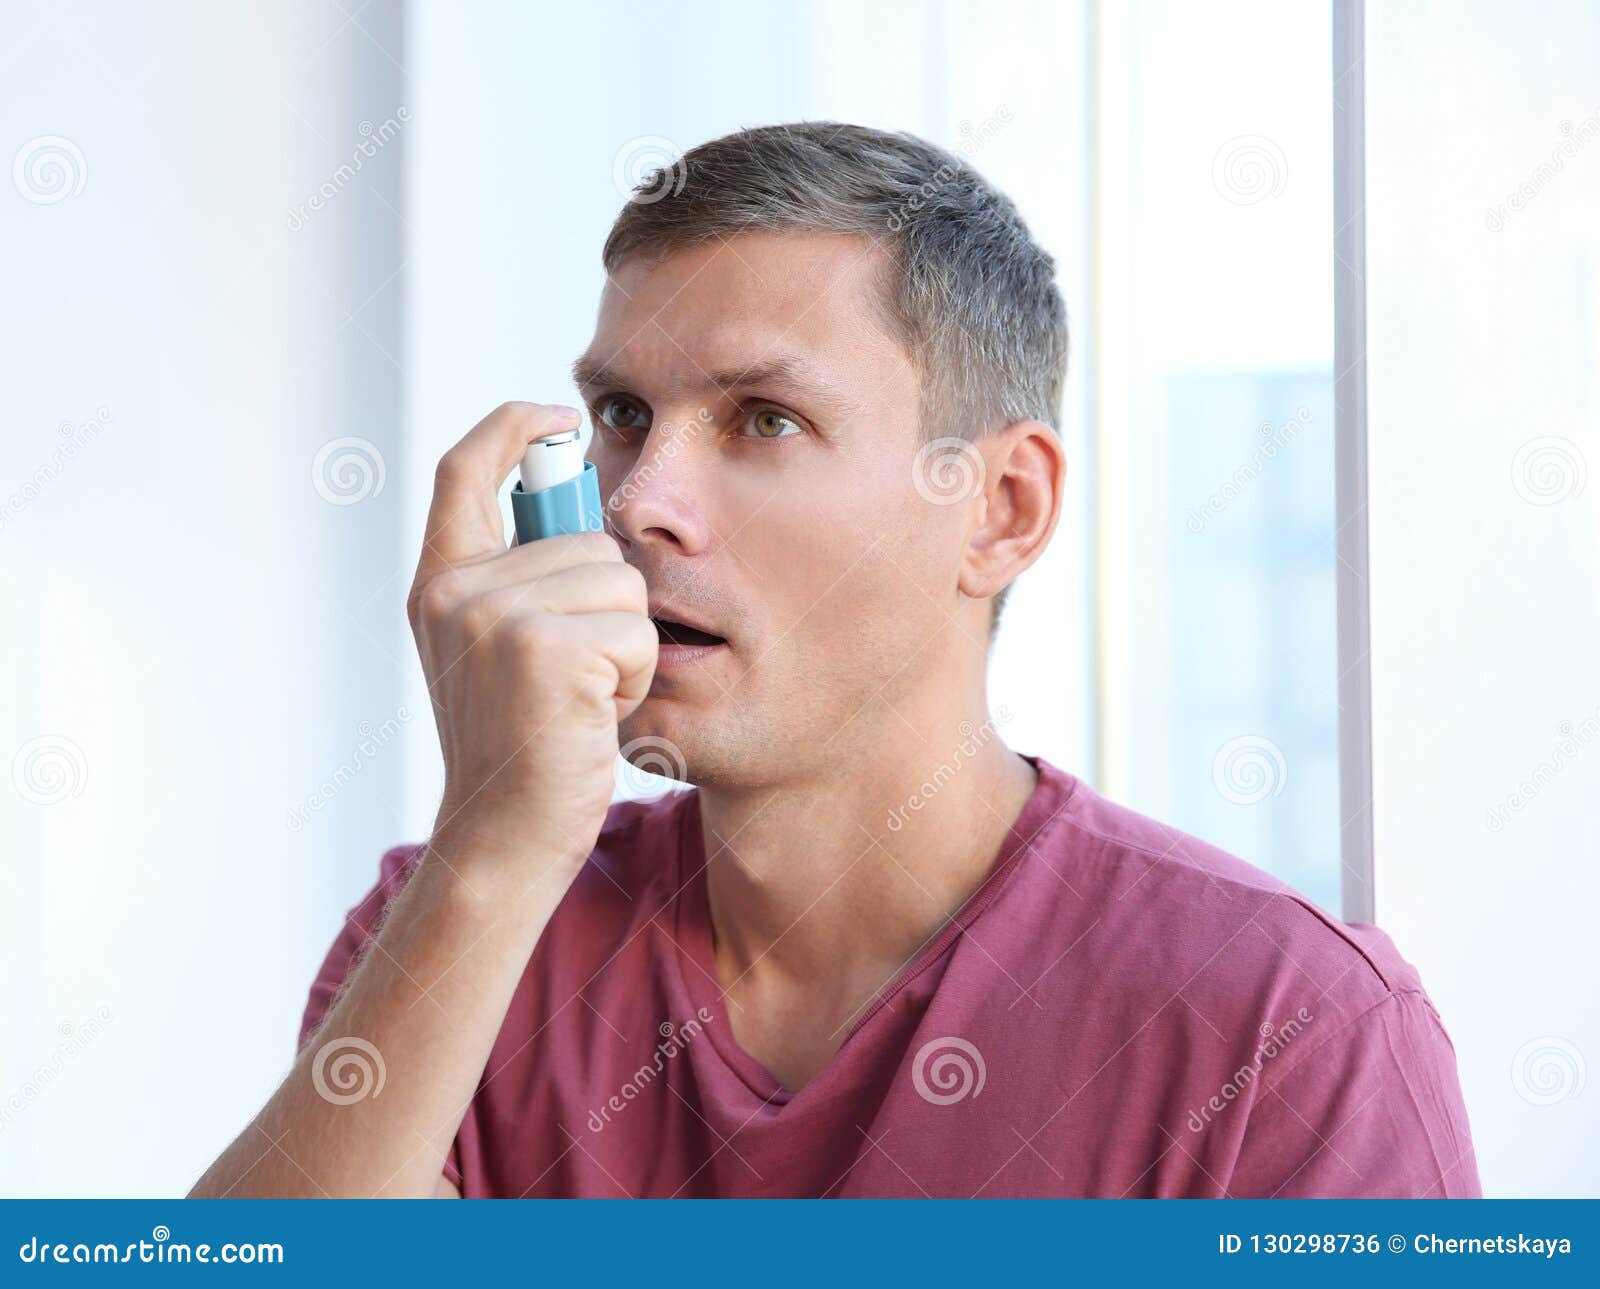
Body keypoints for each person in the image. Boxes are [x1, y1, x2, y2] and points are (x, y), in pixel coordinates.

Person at [191, 123, 1478, 1199]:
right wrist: (492, 838)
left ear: (1001, 508)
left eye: (764, 418)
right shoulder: (462, 926)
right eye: (624, 416)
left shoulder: (1288, 1032)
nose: (641, 500)